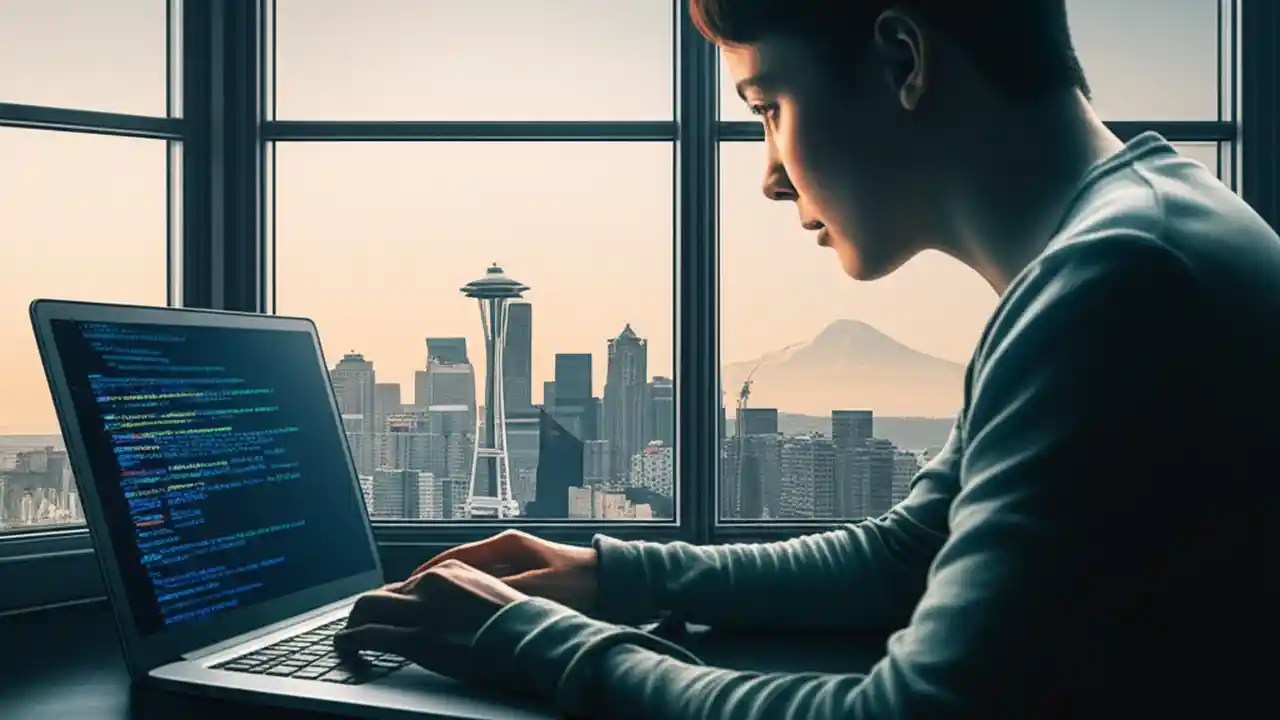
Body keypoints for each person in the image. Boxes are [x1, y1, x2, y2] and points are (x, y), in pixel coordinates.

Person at [335, 1, 1279, 717]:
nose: (768, 173)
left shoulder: (1122, 283)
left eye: (768, 106)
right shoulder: (1129, 240)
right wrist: (613, 574)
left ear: (902, 60)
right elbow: (906, 555)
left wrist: (530, 640)